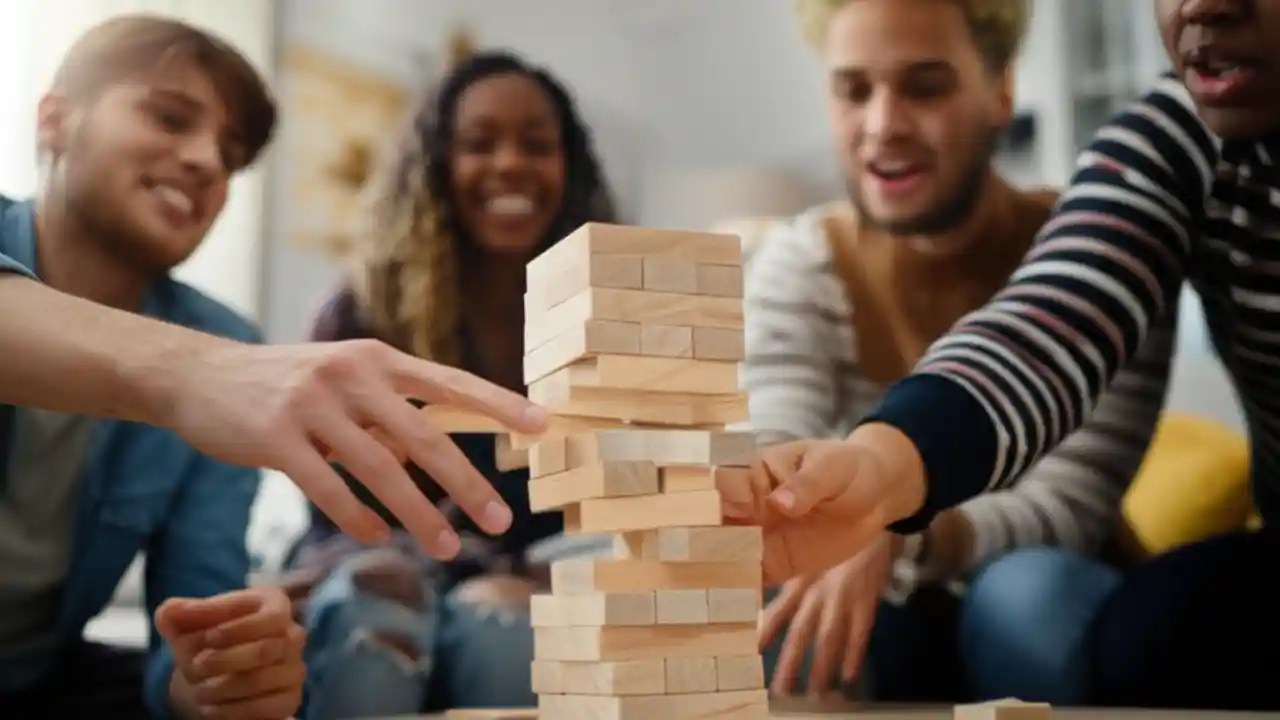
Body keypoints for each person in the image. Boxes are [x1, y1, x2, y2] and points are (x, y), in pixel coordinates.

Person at [725, 0, 1280, 710]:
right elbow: (1040, 335)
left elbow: (1069, 503)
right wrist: (872, 480)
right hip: (880, 582)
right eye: (853, 88)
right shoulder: (1170, 145)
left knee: (1029, 599)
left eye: (925, 86)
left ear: (1002, 93)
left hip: (1031, 576)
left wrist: (899, 532)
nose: (884, 124)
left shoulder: (1095, 213)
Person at [286, 51, 617, 718]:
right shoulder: (362, 314)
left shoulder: (605, 318)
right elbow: (339, 512)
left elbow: (618, 508)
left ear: (569, 168)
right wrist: (474, 573)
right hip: (382, 564)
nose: (510, 163)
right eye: (479, 143)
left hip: (534, 583)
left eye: (537, 144)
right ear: (436, 165)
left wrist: (532, 580)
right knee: (375, 614)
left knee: (509, 639)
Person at [0, 15, 308, 718]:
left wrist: (221, 678)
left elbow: (195, 615)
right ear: (55, 121)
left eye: (230, 155)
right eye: (170, 118)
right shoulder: (214, 363)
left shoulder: (226, 346)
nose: (205, 161)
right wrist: (188, 373)